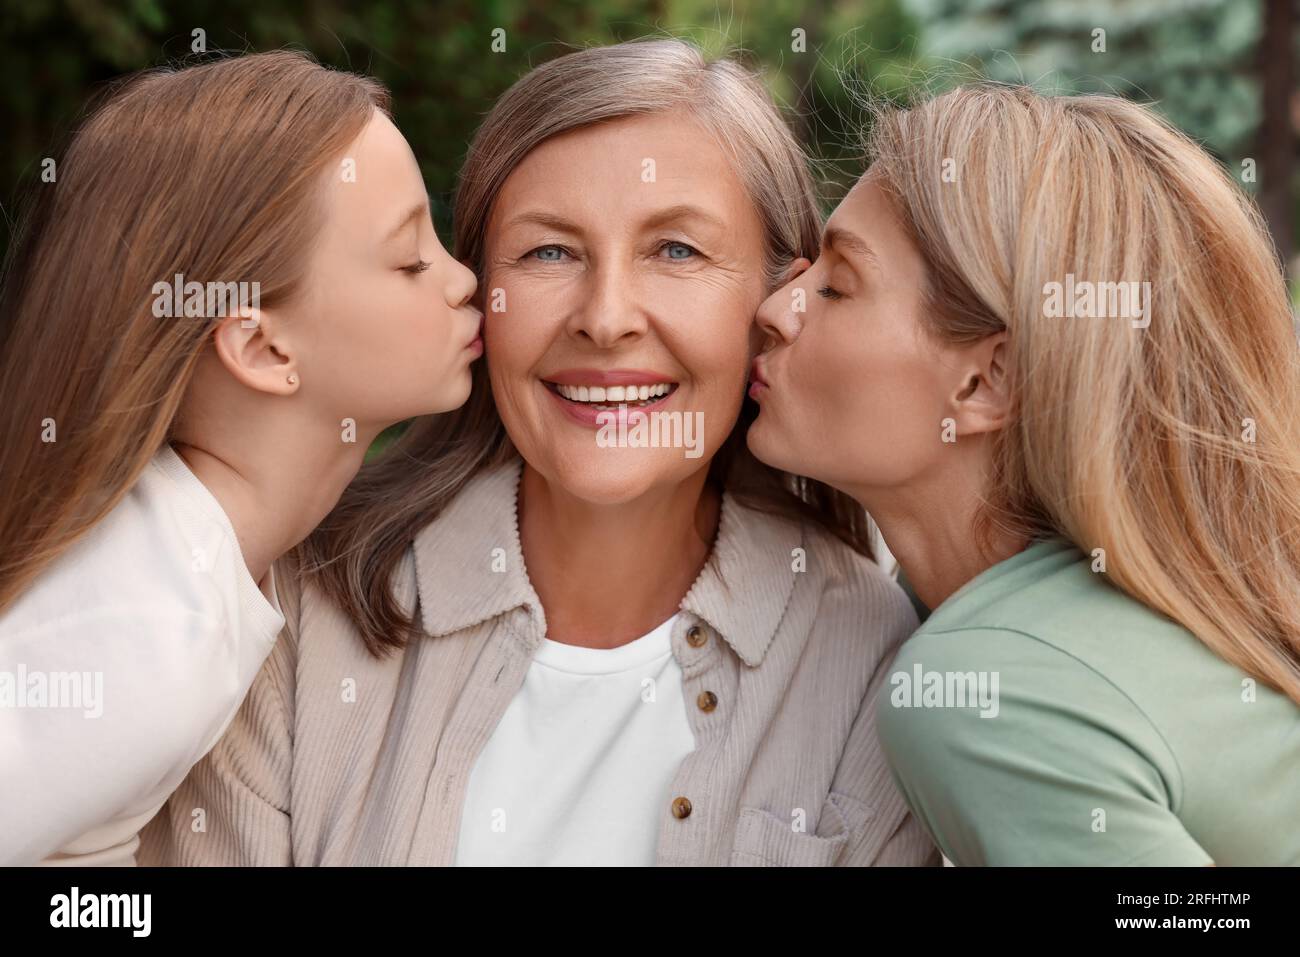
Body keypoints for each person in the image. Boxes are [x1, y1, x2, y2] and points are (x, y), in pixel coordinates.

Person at [140, 39, 937, 867]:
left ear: (779, 301)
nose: (605, 317)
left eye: (676, 251)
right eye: (549, 251)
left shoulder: (868, 654)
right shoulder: (299, 602)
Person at [747, 83, 1300, 865]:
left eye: (836, 287)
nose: (776, 307)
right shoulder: (1019, 618)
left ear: (987, 382)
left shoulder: (987, 683)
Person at [0, 51, 482, 865]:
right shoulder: (153, 637)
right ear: (260, 347)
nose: (465, 279)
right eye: (410, 261)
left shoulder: (177, 568)